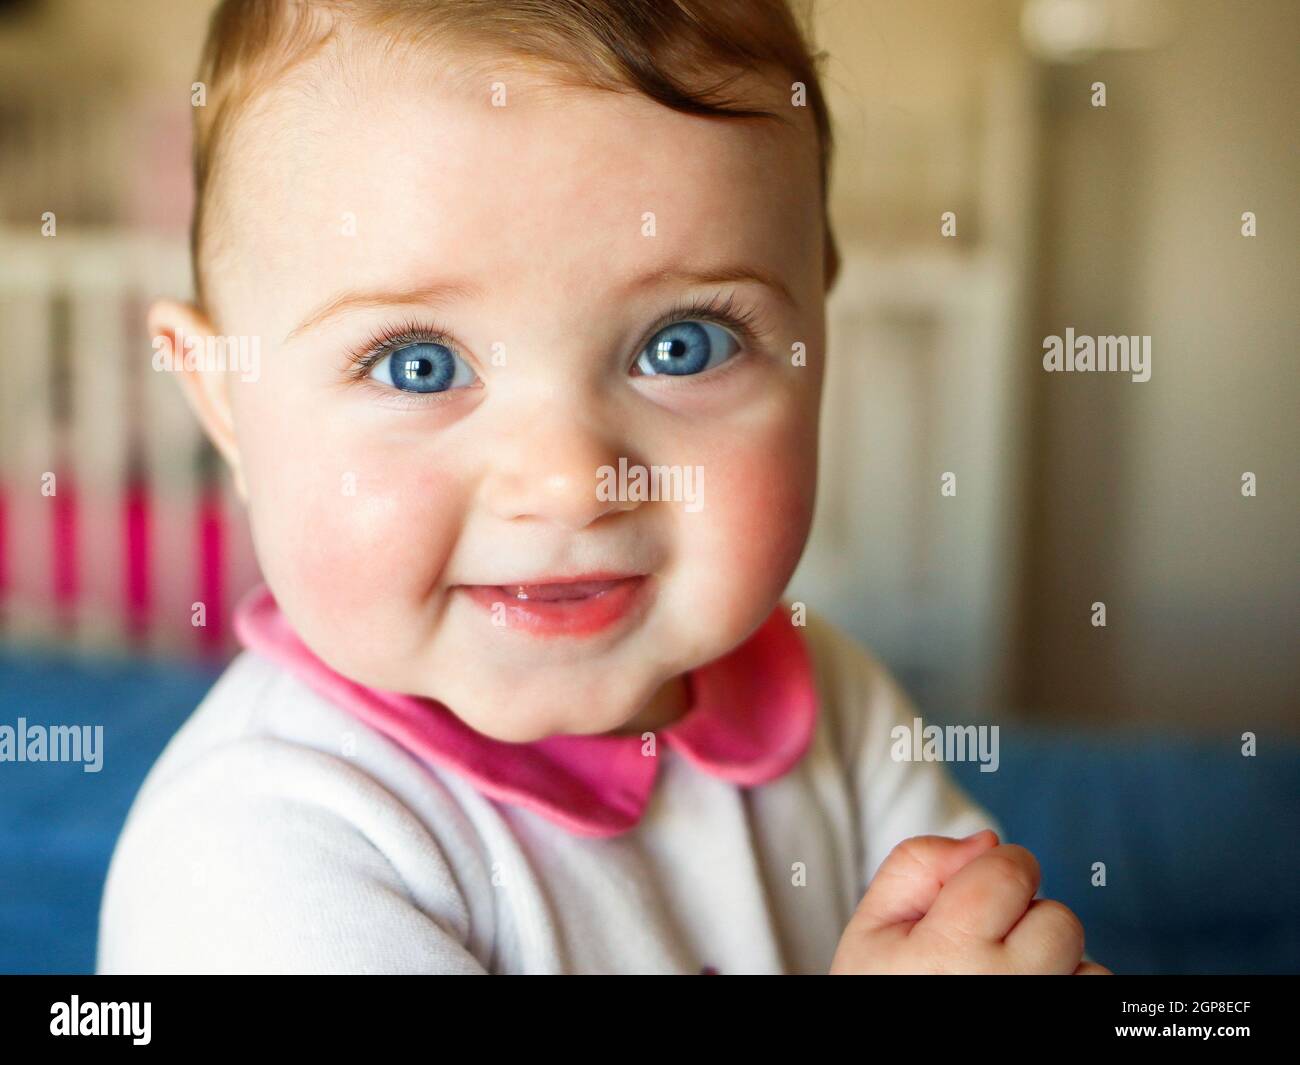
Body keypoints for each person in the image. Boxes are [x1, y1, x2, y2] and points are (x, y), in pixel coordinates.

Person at [97, 0, 1108, 975]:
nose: (575, 483)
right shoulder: (264, 853)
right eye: (420, 364)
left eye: (683, 345)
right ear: (225, 400)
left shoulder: (829, 705)